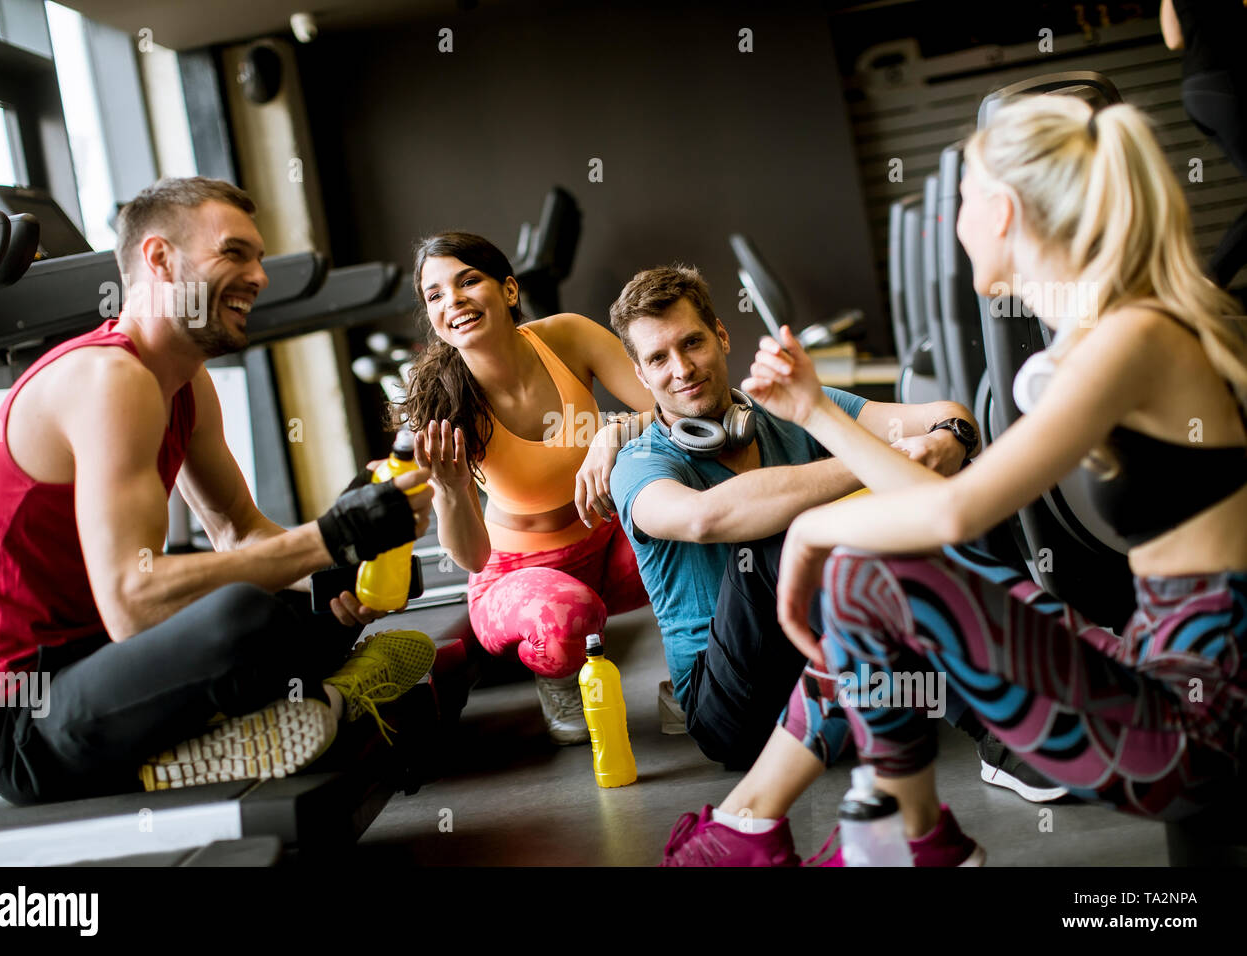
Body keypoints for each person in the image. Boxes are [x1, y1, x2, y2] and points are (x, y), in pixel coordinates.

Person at [674, 94, 1247, 867]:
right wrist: (815, 409)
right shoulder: (1112, 332)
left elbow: (950, 513)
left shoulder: (1132, 336)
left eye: (963, 201)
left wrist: (809, 526)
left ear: (1004, 211)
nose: (953, 223)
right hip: (1161, 676)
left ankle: (909, 844)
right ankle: (908, 839)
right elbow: (937, 512)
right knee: (872, 568)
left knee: (862, 573)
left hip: (1203, 728)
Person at [0, 177, 436, 805]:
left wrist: (338, 567)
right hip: (28, 723)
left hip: (116, 669)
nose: (259, 276)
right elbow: (132, 605)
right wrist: (329, 537)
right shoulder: (109, 380)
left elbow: (237, 528)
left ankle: (283, 712)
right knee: (242, 619)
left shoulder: (186, 384)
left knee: (305, 606)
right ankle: (309, 709)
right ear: (158, 258)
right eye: (234, 253)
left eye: (259, 257)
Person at [607, 264, 997, 776]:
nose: (681, 369)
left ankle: (1025, 670)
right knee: (782, 544)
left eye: (692, 343)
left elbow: (943, 413)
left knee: (950, 496)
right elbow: (707, 517)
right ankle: (997, 738)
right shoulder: (639, 463)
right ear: (640, 374)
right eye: (658, 358)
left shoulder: (792, 409)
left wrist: (949, 440)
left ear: (722, 336)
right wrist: (873, 460)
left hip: (826, 668)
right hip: (732, 711)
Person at [403, 232, 654, 743]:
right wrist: (452, 490)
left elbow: (666, 408)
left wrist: (614, 432)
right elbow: (471, 558)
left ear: (510, 291)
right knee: (571, 615)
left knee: (695, 520)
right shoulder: (446, 400)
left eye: (468, 280)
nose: (453, 301)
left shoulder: (568, 337)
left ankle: (698, 668)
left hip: (606, 546)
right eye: (435, 295)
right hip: (515, 577)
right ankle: (557, 677)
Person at [1162, 0, 1247, 288]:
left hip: (1197, 90)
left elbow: (1173, 40)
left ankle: (1210, 282)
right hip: (1227, 80)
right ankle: (1209, 283)